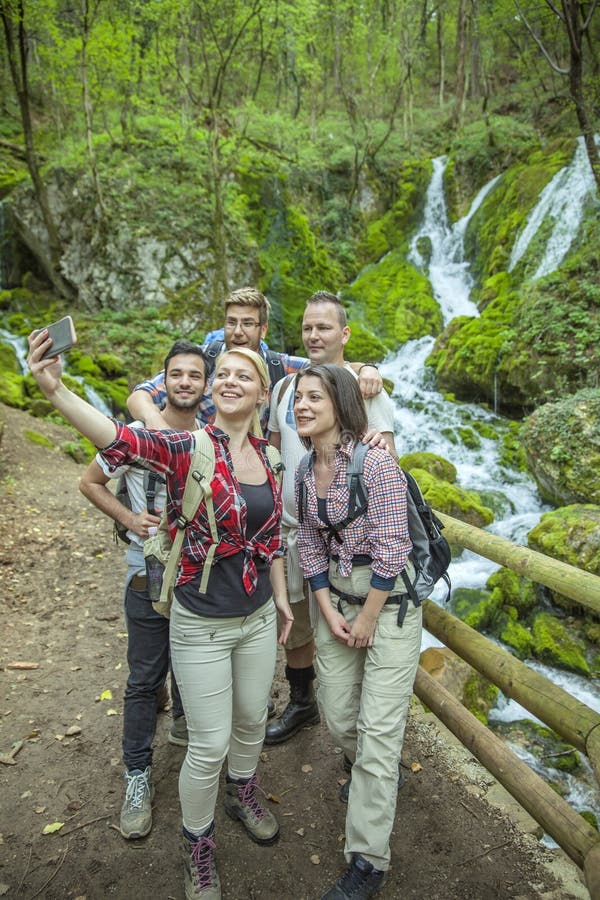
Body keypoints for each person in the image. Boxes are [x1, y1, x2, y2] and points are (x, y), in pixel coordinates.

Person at [27, 331, 294, 900]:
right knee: (208, 742)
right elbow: (120, 440)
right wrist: (57, 393)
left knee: (251, 721)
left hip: (257, 618)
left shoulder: (270, 458)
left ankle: (242, 791)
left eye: (242, 375)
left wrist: (283, 600)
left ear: (262, 394)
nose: (227, 380)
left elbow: (270, 541)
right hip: (199, 620)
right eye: (221, 373)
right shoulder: (188, 447)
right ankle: (198, 843)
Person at [294, 364, 422, 900]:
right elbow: (309, 543)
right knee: (339, 712)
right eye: (298, 397)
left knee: (377, 735)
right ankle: (372, 771)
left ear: (340, 404)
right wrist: (327, 612)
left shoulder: (376, 466)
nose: (301, 405)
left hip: (388, 605)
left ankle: (367, 860)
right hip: (337, 601)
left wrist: (368, 617)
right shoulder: (305, 468)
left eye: (313, 398)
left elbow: (395, 549)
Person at [79, 340, 206, 840]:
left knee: (192, 659)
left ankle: (183, 726)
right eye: (176, 374)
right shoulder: (133, 437)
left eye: (194, 375)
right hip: (146, 568)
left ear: (206, 385)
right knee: (143, 674)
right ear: (164, 381)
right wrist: (131, 518)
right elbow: (89, 482)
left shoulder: (209, 439)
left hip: (199, 573)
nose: (184, 383)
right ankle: (137, 776)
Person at [265, 292, 397, 747]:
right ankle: (303, 703)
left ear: (344, 334)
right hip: (292, 529)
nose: (314, 335)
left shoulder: (363, 388)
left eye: (323, 327)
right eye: (307, 328)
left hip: (344, 543)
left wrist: (367, 370)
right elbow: (271, 449)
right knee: (297, 624)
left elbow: (388, 469)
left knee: (340, 635)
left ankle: (363, 736)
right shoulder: (286, 388)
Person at [126, 285, 383, 433]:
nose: (238, 332)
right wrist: (160, 428)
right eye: (232, 323)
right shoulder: (201, 361)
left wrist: (368, 369)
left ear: (263, 330)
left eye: (248, 323)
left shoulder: (278, 366)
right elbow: (140, 396)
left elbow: (330, 365)